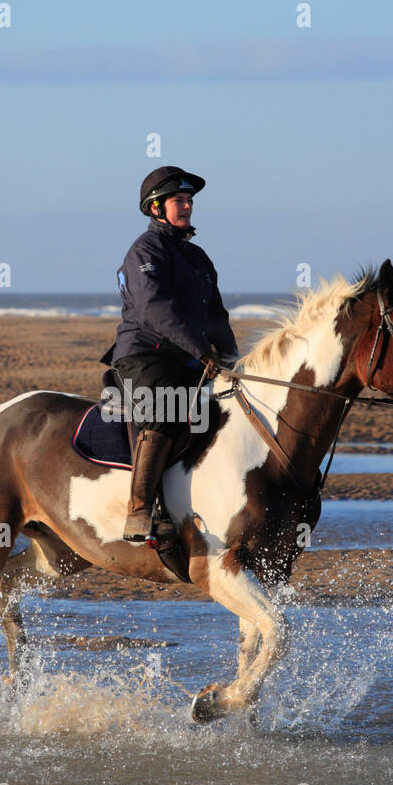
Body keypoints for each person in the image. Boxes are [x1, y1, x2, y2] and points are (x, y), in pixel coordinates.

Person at [99, 166, 239, 542]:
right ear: (156, 208)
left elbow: (216, 316)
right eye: (180, 200)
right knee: (166, 407)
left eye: (190, 200)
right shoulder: (145, 251)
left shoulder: (198, 258)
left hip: (190, 358)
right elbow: (155, 309)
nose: (188, 205)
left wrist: (231, 360)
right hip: (145, 356)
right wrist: (201, 349)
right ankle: (140, 510)